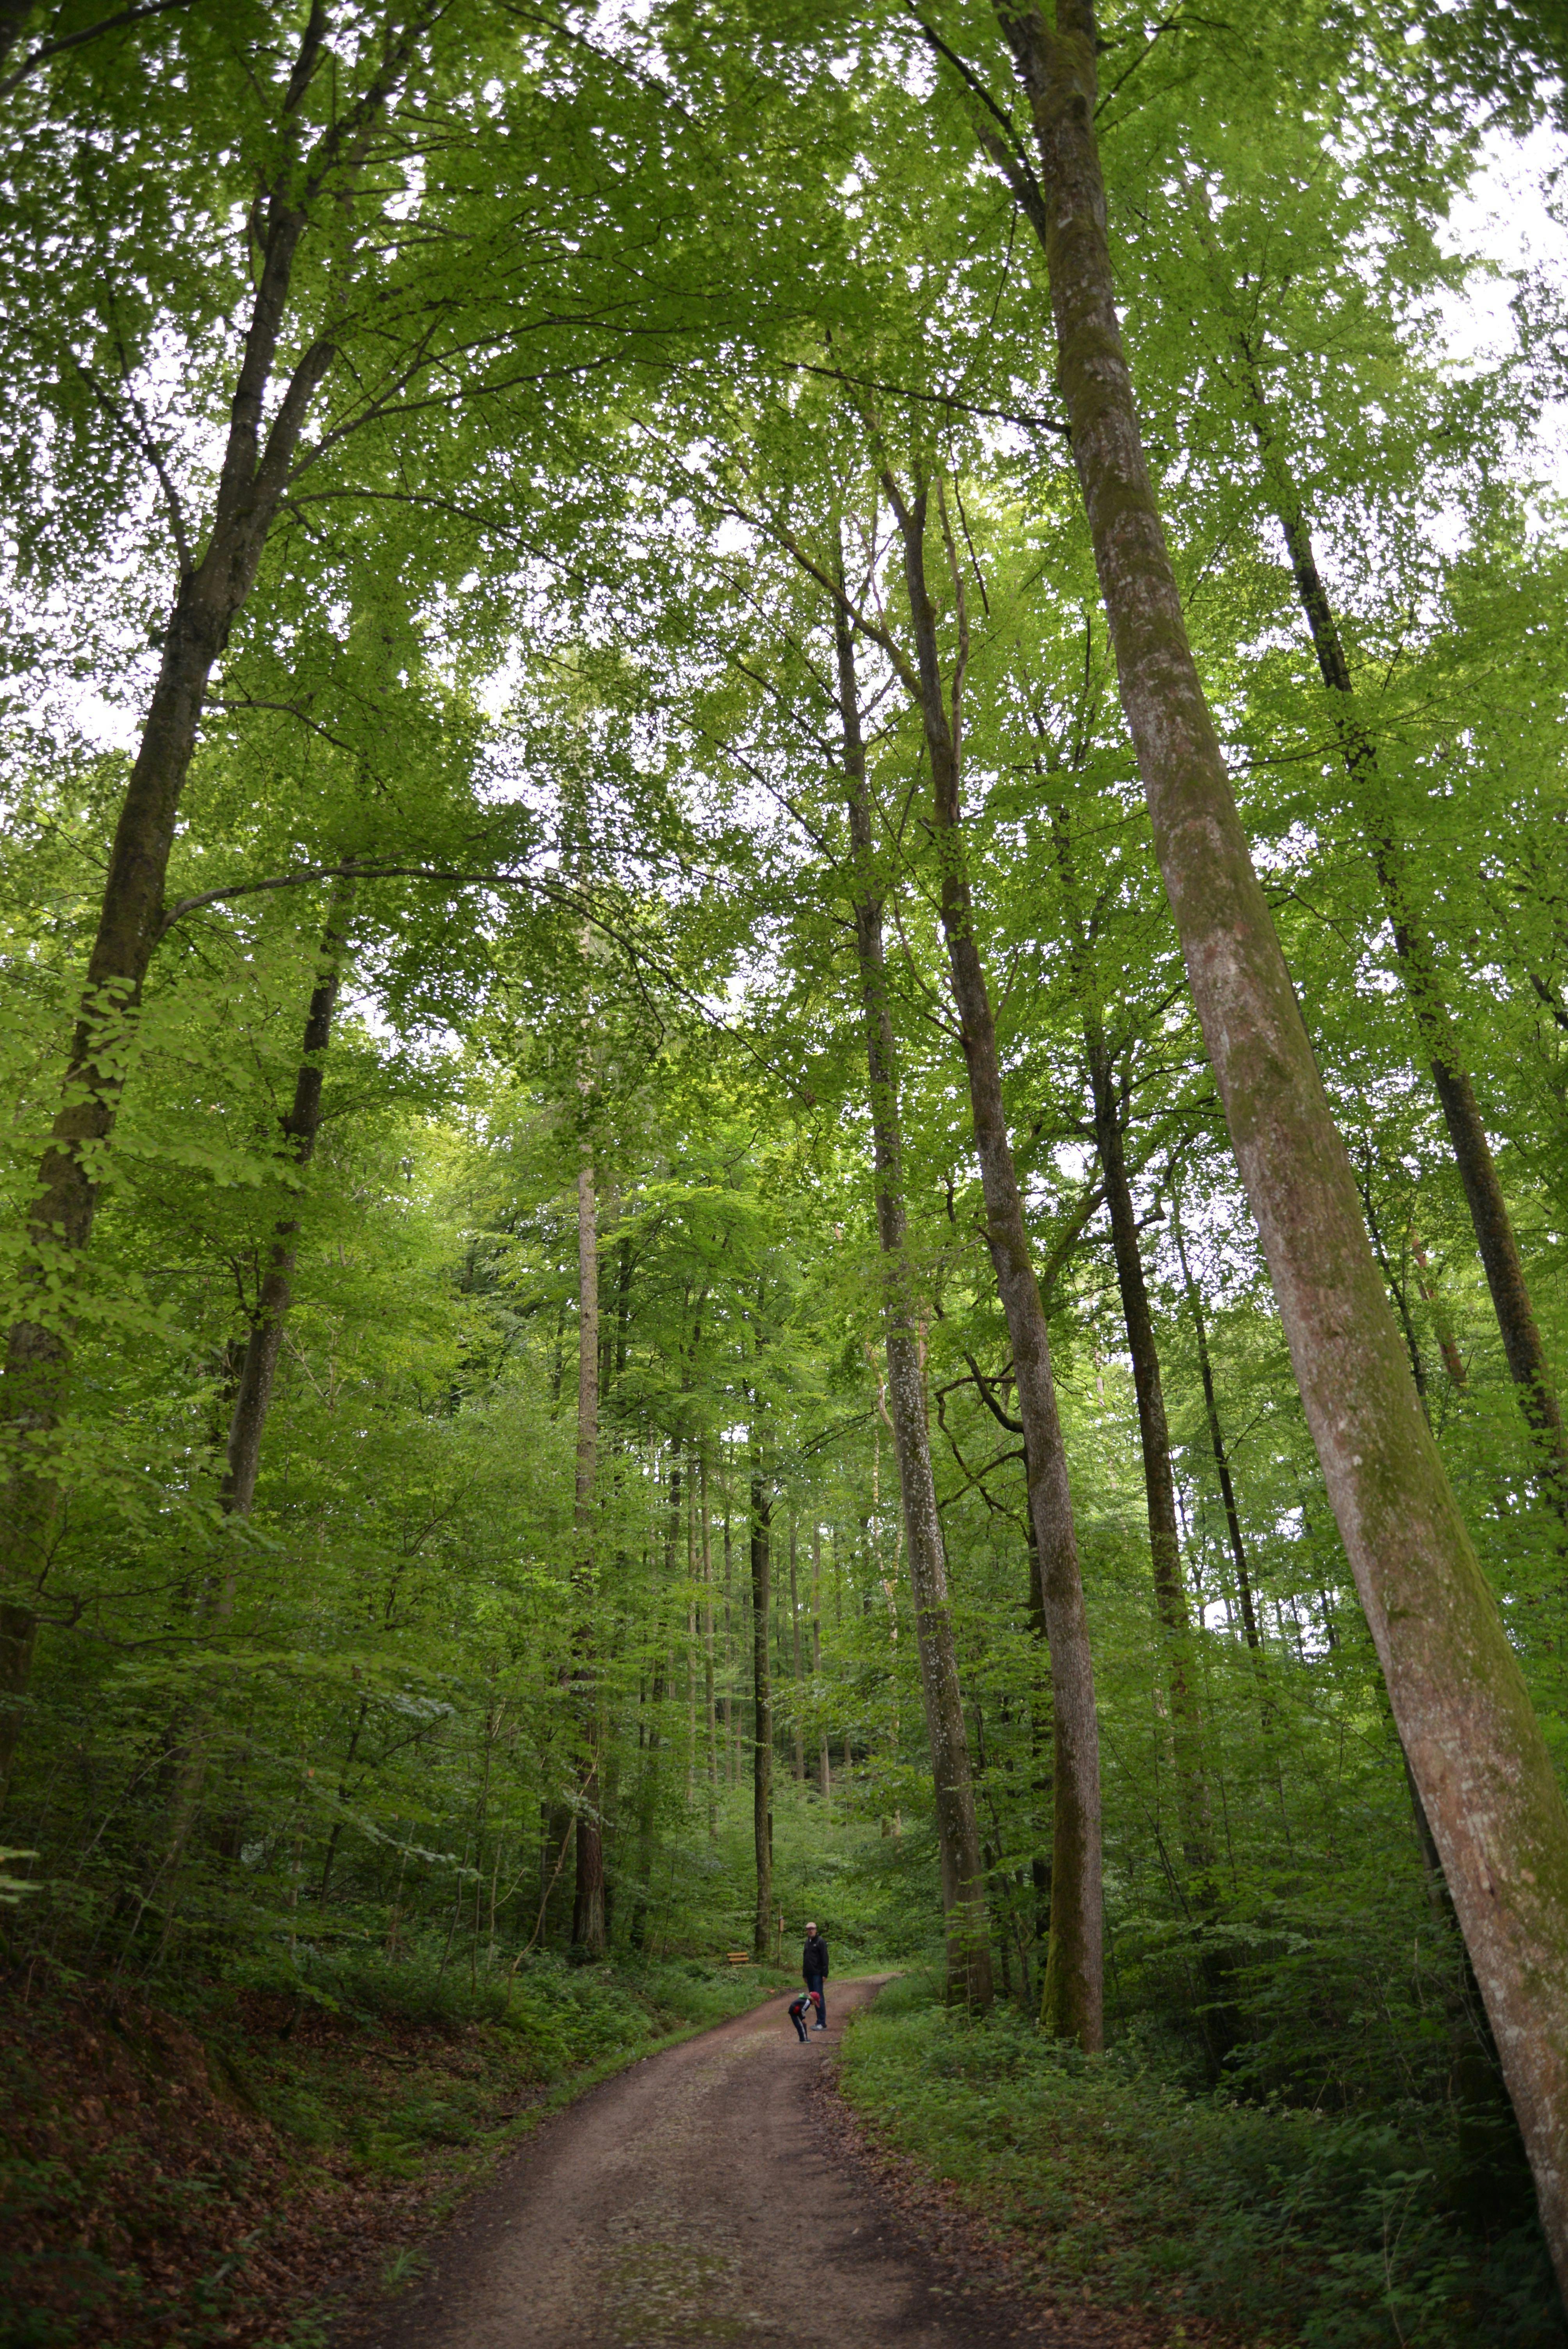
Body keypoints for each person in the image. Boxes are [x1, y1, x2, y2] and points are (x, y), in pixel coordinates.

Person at [802, 1921, 829, 2030]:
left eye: (813, 1929)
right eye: (809, 1929)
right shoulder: (807, 1942)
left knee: (819, 1998)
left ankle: (822, 2023)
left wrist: (825, 1974)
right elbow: (805, 1959)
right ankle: (819, 2022)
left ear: (816, 1930)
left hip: (818, 1974)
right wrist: (804, 1974)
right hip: (809, 1974)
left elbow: (825, 1958)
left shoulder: (820, 1942)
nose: (811, 1931)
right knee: (813, 1998)